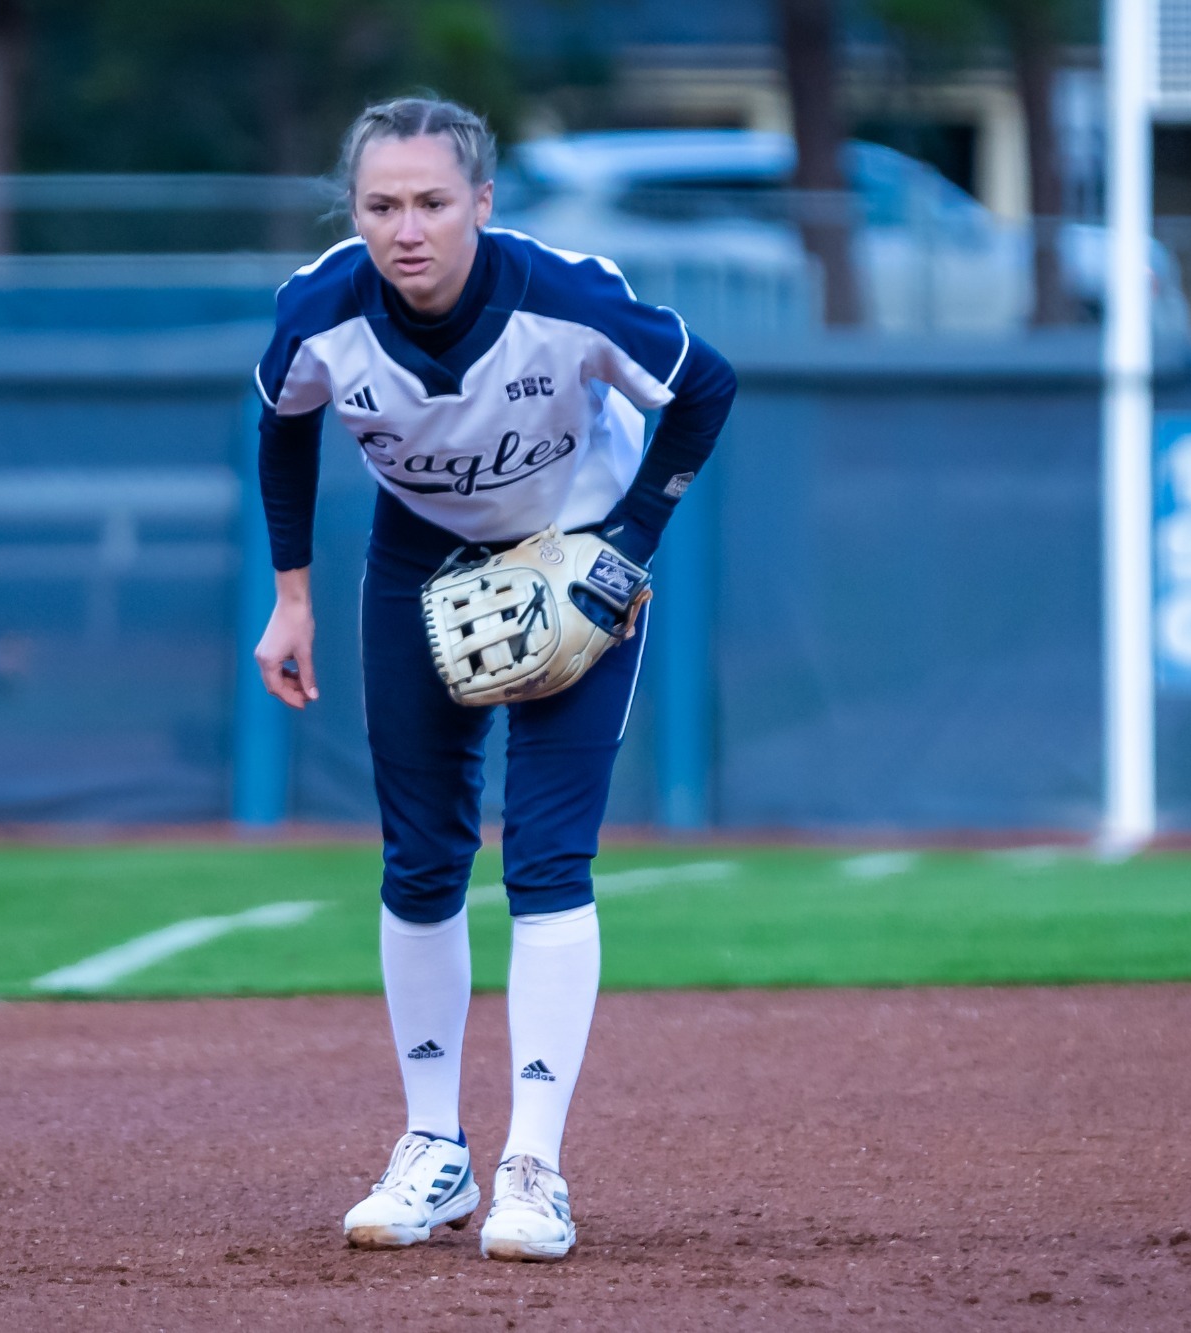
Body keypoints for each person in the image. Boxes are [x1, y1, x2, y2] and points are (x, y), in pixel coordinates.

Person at [252, 97, 736, 1262]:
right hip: (417, 562)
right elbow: (282, 424)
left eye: (431, 201)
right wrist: (291, 596)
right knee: (419, 856)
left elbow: (704, 387)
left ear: (480, 201)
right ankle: (434, 1147)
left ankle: (534, 1165)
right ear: (352, 211)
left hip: (575, 559)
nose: (405, 227)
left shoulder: (562, 299)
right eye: (380, 205)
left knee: (547, 858)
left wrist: (626, 548)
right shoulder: (318, 313)